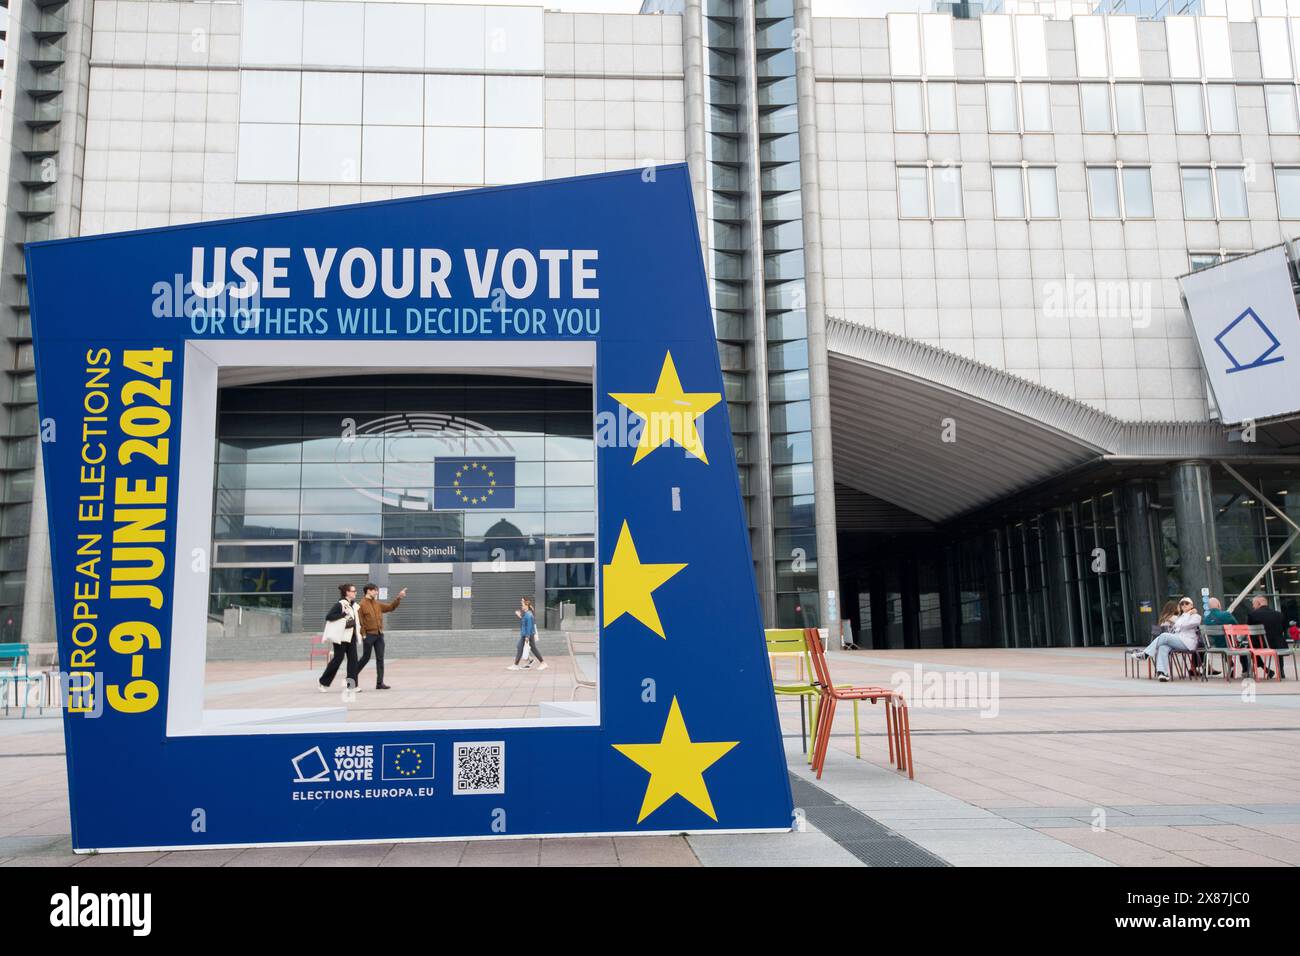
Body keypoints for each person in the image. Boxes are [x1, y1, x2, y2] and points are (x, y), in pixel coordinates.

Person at [1128, 595, 1200, 682]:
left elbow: (1186, 625)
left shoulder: (1196, 616)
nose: (1184, 605)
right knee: (1163, 647)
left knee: (1164, 635)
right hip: (1177, 640)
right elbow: (1177, 626)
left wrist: (1187, 615)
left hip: (1187, 643)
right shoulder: (1181, 617)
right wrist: (1182, 619)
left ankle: (1145, 654)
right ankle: (1162, 673)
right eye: (1182, 604)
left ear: (1191, 605)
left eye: (1187, 603)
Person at [355, 583, 406, 690]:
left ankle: (380, 683)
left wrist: (398, 598)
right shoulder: (361, 605)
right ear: (368, 591)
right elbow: (360, 622)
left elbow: (390, 607)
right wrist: (363, 635)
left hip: (379, 635)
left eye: (377, 590)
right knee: (365, 658)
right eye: (375, 590)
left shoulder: (377, 604)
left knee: (380, 658)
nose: (376, 592)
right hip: (368, 635)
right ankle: (351, 676)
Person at [319, 583, 361, 692]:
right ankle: (323, 683)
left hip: (351, 636)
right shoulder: (340, 604)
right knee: (338, 659)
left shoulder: (353, 605)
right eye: (353, 591)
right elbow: (329, 616)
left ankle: (352, 686)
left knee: (353, 661)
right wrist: (343, 615)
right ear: (347, 592)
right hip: (341, 636)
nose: (355, 592)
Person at [1246, 595, 1287, 680]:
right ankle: (1281, 671)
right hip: (1279, 645)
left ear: (1259, 603)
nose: (1253, 606)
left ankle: (1266, 669)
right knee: (1278, 643)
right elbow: (1283, 629)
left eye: (1254, 604)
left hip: (1262, 645)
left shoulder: (1252, 615)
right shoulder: (1279, 614)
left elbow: (1249, 631)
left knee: (1249, 648)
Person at [508, 597, 547, 671]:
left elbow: (529, 626)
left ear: (526, 606)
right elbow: (524, 622)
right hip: (525, 634)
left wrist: (527, 636)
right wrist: (520, 616)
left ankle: (542, 663)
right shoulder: (526, 614)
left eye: (522, 605)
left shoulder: (529, 615)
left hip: (527, 634)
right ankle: (517, 664)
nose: (521, 607)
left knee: (531, 648)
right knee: (521, 647)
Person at [1202, 597, 1237, 678]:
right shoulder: (1226, 615)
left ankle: (1230, 665)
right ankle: (1244, 670)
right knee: (1235, 644)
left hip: (1212, 647)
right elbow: (1236, 627)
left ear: (1209, 607)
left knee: (1224, 642)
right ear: (1219, 605)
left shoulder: (1206, 620)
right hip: (1227, 645)